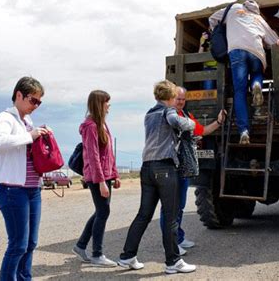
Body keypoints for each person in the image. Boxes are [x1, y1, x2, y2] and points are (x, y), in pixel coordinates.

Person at [118, 80, 197, 274]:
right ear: (170, 97)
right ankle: (173, 262)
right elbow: (176, 121)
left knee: (143, 215)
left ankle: (127, 256)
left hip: (147, 168)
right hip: (165, 168)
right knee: (170, 216)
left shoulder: (149, 114)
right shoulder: (167, 111)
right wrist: (191, 123)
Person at [0, 76, 48, 281]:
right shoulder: (5, 118)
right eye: (33, 100)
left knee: (30, 243)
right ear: (19, 95)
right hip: (12, 189)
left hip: (32, 189)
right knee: (18, 245)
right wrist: (29, 136)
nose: (36, 106)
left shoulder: (26, 121)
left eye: (39, 102)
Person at [159, 86, 226, 254]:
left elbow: (202, 131)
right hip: (171, 165)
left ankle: (178, 238)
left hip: (183, 166)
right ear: (171, 98)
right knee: (169, 207)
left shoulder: (186, 115)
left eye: (183, 99)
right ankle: (171, 243)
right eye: (177, 99)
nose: (180, 102)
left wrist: (218, 122)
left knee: (180, 204)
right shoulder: (168, 115)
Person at [209, 0, 278, 144]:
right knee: (257, 73)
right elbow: (273, 41)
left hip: (236, 50)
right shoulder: (259, 19)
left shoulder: (233, 8)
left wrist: (225, 33)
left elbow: (213, 19)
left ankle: (244, 131)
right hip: (256, 51)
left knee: (239, 92)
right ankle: (256, 85)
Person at [72, 90, 120, 267]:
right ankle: (97, 254)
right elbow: (92, 157)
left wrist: (114, 174)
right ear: (99, 104)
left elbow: (108, 153)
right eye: (107, 102)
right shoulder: (91, 126)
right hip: (96, 177)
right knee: (103, 212)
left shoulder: (102, 124)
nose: (109, 105)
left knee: (101, 211)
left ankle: (81, 245)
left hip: (105, 176)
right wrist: (101, 182)